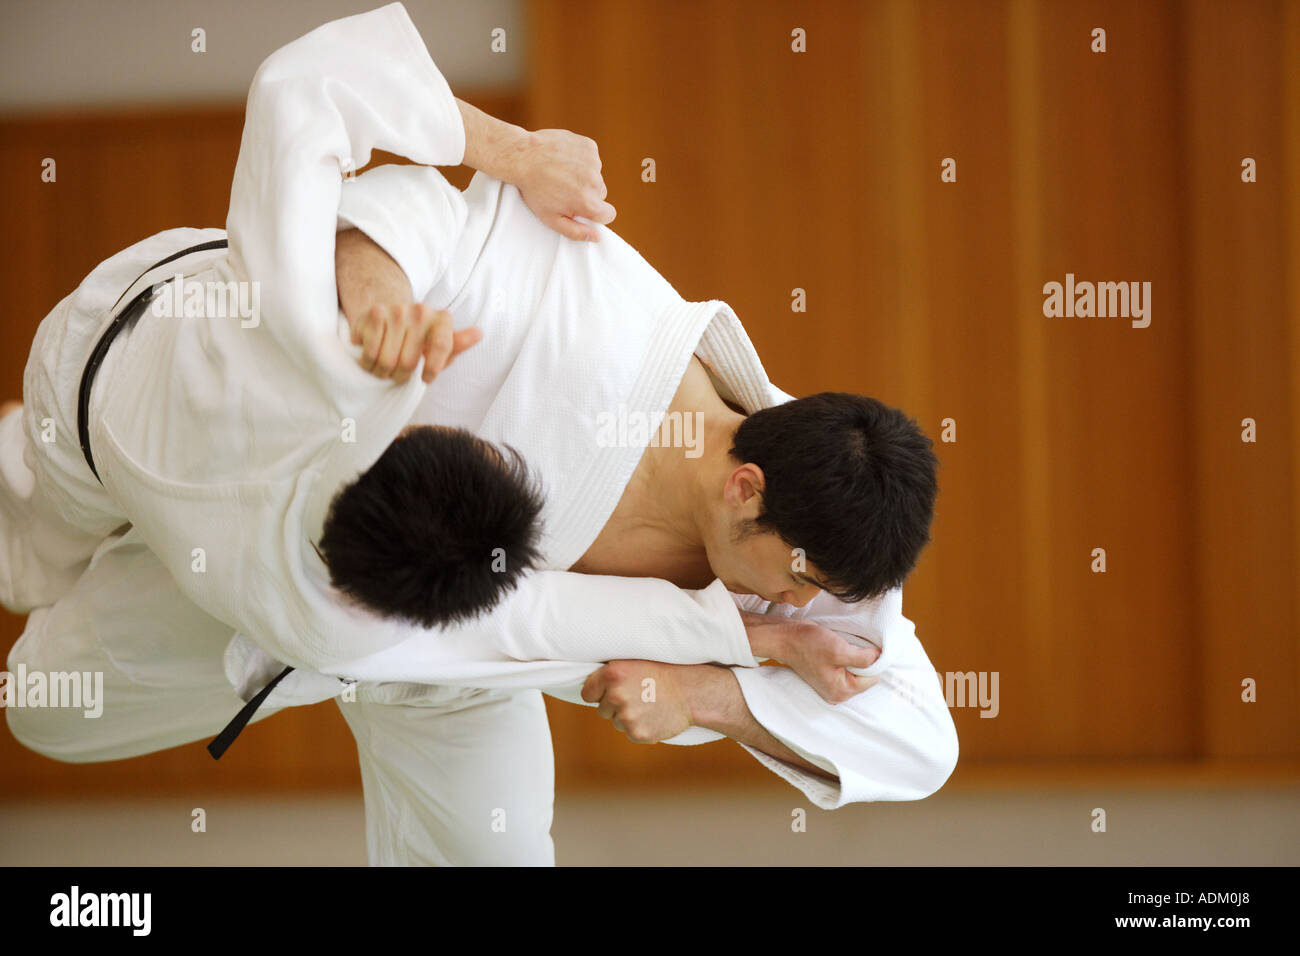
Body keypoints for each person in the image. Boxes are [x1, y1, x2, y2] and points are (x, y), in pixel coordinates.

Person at [4, 3, 957, 866]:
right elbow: (394, 195)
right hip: (163, 405)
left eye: (814, 594)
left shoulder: (825, 531)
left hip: (402, 649)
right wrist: (441, 231)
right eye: (799, 580)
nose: (800, 608)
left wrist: (710, 696)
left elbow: (924, 743)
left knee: (47, 711)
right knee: (35, 599)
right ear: (744, 486)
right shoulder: (583, 312)